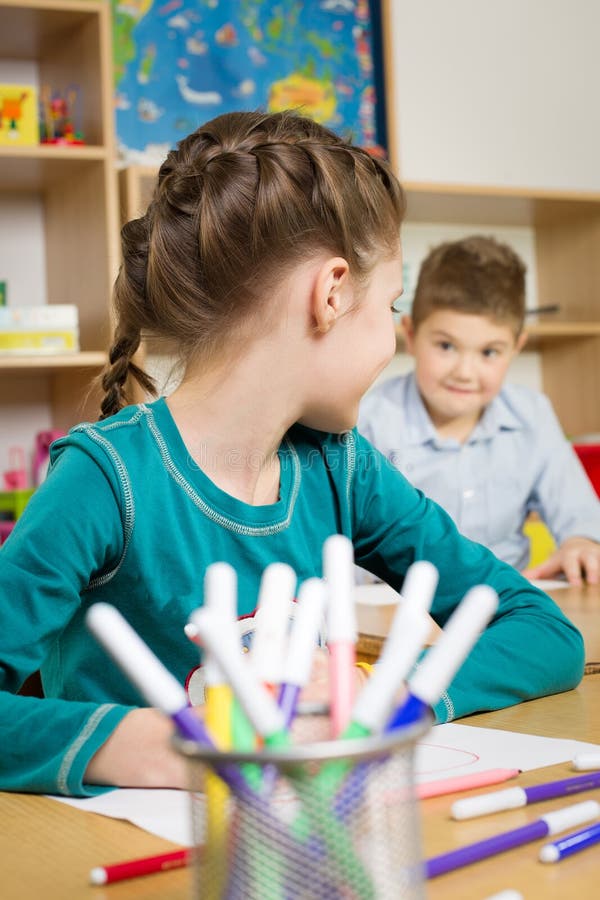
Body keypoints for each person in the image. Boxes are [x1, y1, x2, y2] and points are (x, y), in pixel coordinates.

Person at [0, 113, 584, 797]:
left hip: (311, 841)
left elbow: (543, 629)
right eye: (389, 305)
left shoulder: (343, 468)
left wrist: (376, 695)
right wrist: (154, 748)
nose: (390, 345)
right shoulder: (105, 481)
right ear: (332, 293)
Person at [359, 235, 600, 585]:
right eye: (446, 345)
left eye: (489, 352)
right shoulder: (369, 420)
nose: (465, 372)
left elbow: (581, 515)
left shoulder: (532, 415)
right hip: (397, 610)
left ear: (516, 347)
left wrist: (582, 542)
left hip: (506, 610)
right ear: (409, 334)